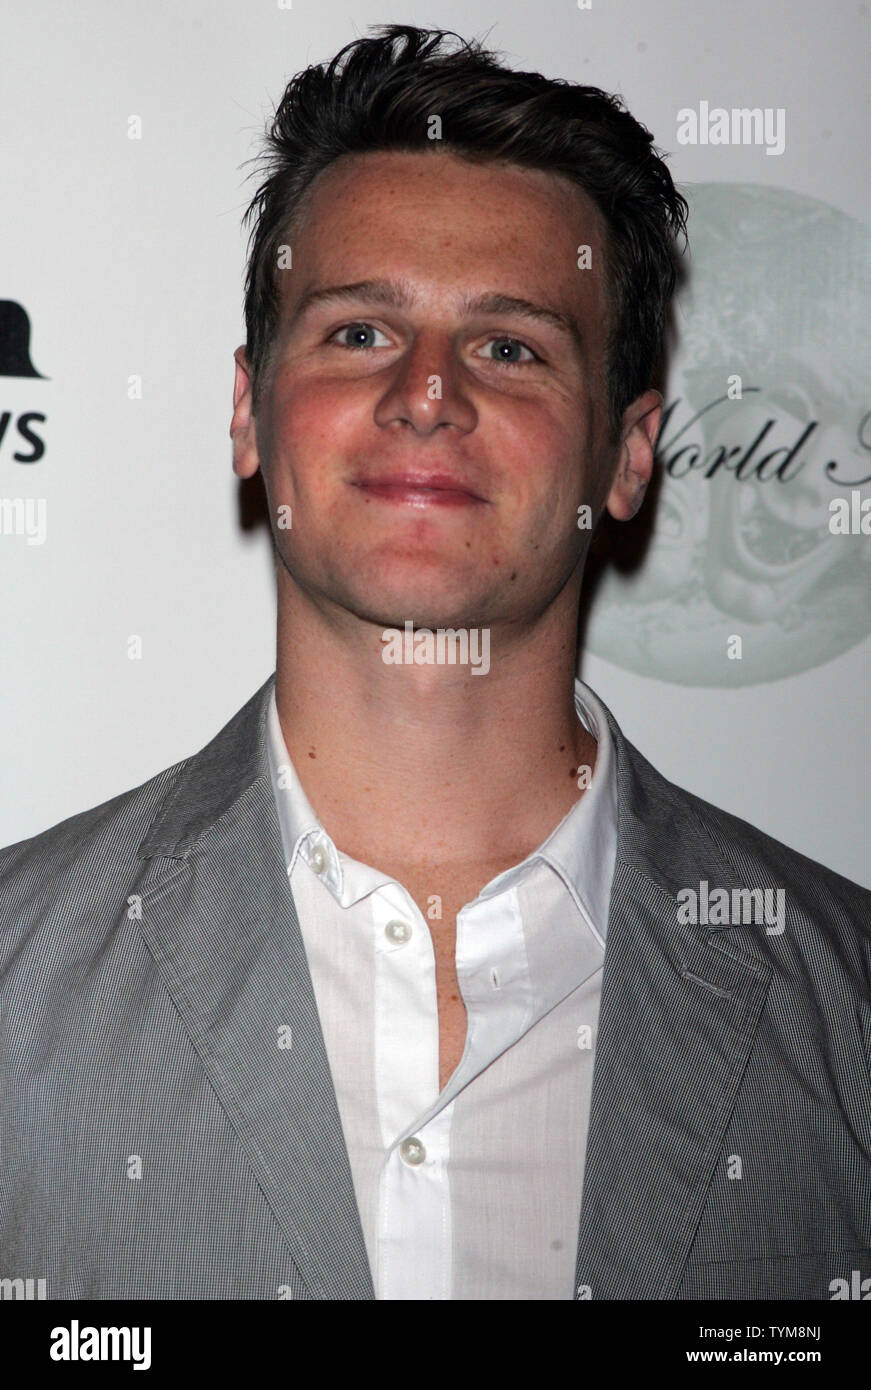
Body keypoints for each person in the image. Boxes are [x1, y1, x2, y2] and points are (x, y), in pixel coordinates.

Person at [2, 24, 870, 1303]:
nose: (426, 393)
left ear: (629, 455)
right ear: (248, 411)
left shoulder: (840, 1010)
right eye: (358, 332)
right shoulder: (18, 984)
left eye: (509, 346)